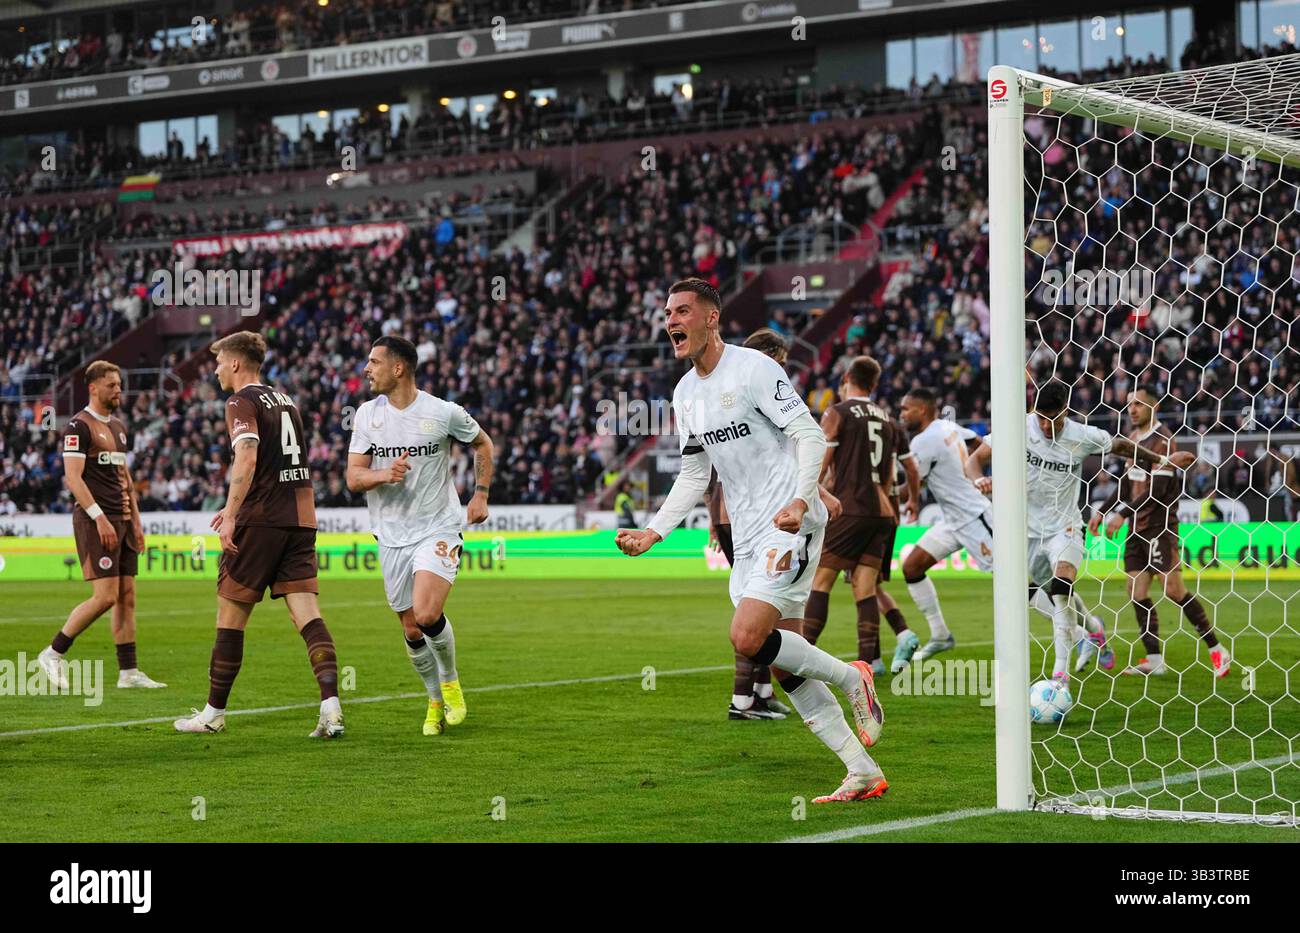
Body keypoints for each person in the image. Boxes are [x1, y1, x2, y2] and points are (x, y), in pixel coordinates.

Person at [616, 279, 886, 804]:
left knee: (745, 637)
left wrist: (803, 499)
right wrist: (655, 530)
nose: (671, 320)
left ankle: (854, 678)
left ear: (712, 318)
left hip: (789, 523)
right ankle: (861, 768)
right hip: (749, 529)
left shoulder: (755, 369)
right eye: (667, 312)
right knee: (782, 659)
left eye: (683, 311)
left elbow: (809, 435)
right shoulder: (685, 392)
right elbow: (695, 475)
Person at [964, 380, 1194, 684]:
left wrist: (1162, 460)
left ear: (1066, 412)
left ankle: (1061, 674)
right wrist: (980, 479)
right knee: (1027, 593)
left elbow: (1123, 446)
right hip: (1026, 530)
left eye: (1053, 419)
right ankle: (1089, 630)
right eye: (1041, 419)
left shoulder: (1081, 435)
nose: (1046, 426)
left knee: (1061, 589)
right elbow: (974, 460)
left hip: (1065, 525)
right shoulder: (1018, 426)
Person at [174, 332, 343, 737]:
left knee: (230, 616)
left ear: (235, 364)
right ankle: (331, 708)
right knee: (307, 615)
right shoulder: (286, 400)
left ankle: (214, 713)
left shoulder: (240, 401)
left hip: (261, 517)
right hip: (299, 518)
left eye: (218, 362)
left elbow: (246, 456)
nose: (215, 369)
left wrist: (231, 514)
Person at [346, 335, 493, 734]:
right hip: (391, 533)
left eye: (374, 362)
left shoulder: (443, 412)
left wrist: (480, 494)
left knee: (427, 614)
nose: (366, 368)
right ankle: (433, 700)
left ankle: (450, 682)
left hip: (438, 525)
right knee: (411, 629)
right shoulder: (365, 416)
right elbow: (353, 477)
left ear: (399, 368)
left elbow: (482, 443)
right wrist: (382, 474)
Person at [37, 361, 166, 692]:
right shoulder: (78, 427)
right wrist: (100, 517)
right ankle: (53, 652)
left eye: (119, 384)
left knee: (126, 596)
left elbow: (125, 478)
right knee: (106, 596)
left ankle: (129, 672)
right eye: (112, 385)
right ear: (93, 388)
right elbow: (73, 478)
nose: (118, 390)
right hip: (97, 521)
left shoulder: (120, 427)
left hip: (121, 519)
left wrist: (135, 521)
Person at [1089, 386, 1229, 678]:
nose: (1133, 409)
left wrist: (1120, 515)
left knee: (1173, 589)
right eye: (1129, 404)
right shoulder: (1132, 441)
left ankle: (1217, 650)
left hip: (1159, 527)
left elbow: (1157, 490)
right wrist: (1103, 510)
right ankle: (1154, 660)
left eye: (1139, 404)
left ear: (1154, 406)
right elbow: (1127, 486)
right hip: (1136, 530)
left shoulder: (1164, 441)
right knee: (1136, 590)